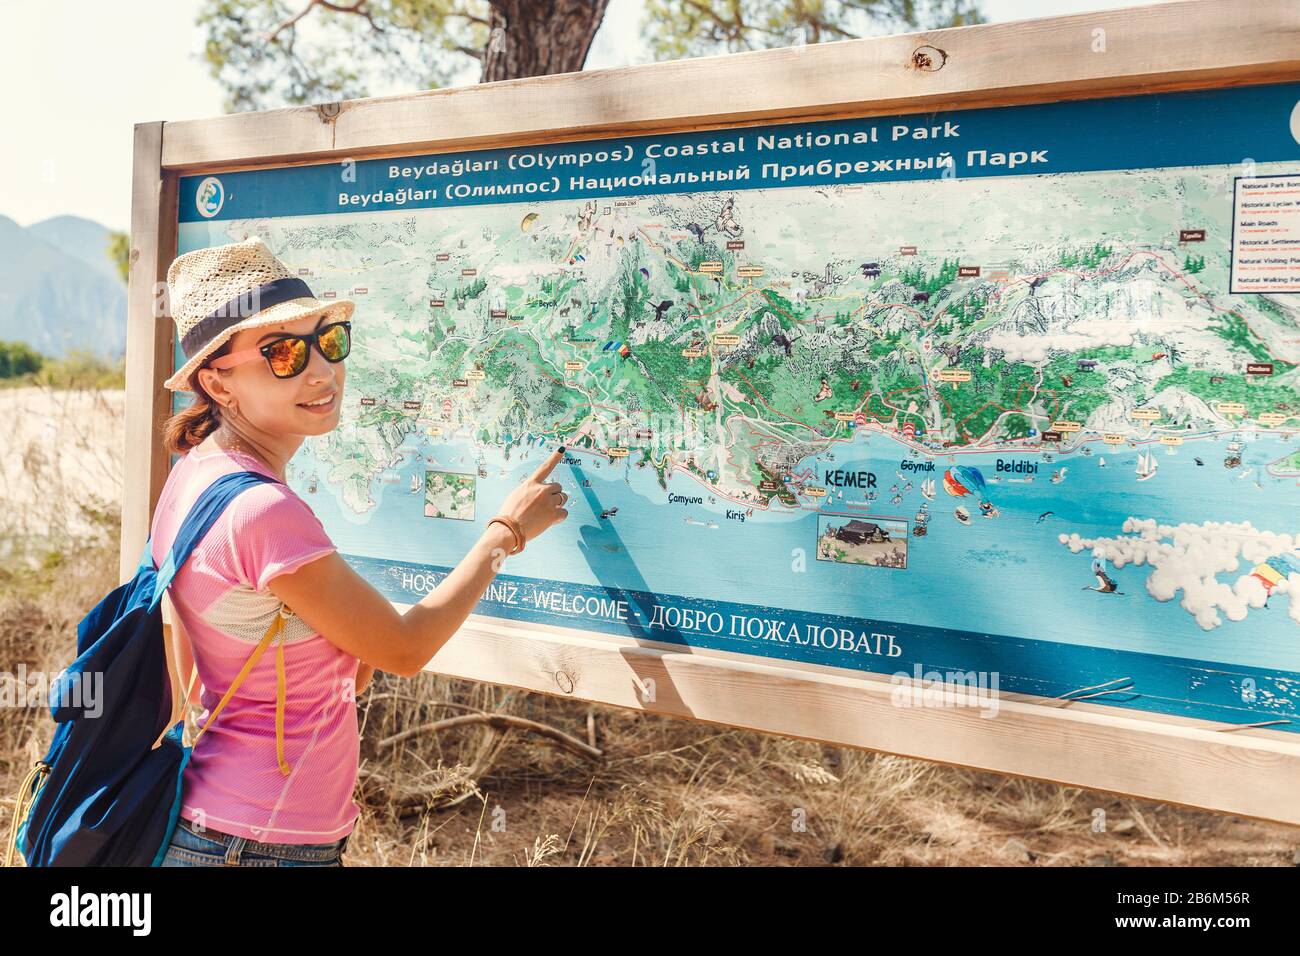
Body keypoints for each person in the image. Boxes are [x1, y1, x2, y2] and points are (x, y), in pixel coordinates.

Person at [152, 237, 567, 866]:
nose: (321, 371)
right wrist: (503, 534)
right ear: (218, 381)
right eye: (284, 353)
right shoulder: (263, 512)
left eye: (330, 340)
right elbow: (401, 651)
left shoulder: (191, 477)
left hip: (221, 824)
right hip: (256, 845)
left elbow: (204, 660)